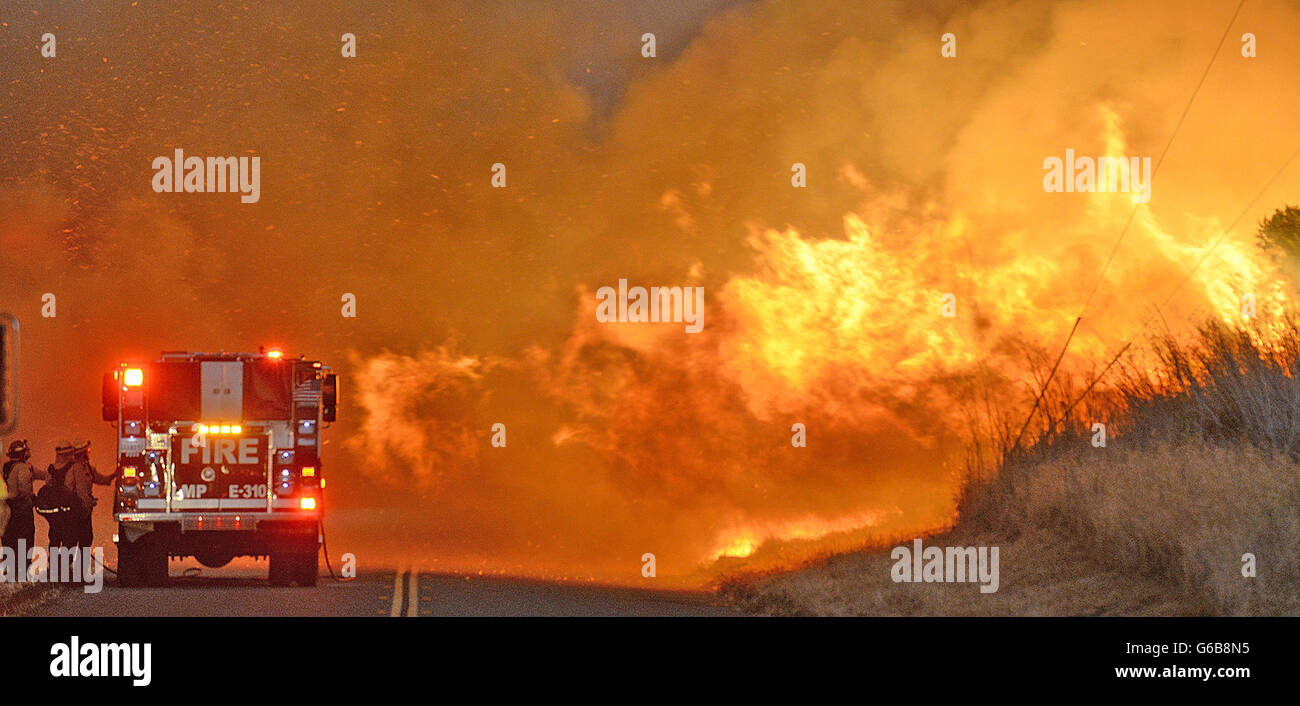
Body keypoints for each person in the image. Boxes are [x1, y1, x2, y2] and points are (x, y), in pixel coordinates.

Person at [2, 440, 47, 554]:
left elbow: (39, 474)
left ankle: (10, 565)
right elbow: (25, 488)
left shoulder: (6, 467)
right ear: (21, 453)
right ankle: (24, 566)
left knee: (10, 538)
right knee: (25, 538)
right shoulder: (23, 468)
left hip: (8, 507)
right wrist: (33, 498)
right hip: (22, 509)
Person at [69, 440, 115, 550]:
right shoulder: (76, 469)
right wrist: (87, 506)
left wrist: (114, 474)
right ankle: (72, 565)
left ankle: (78, 565)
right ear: (82, 453)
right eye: (87, 451)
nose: (89, 453)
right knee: (75, 541)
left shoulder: (87, 468)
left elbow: (101, 479)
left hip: (84, 510)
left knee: (85, 540)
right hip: (77, 511)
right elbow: (82, 492)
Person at [36, 441, 79, 550]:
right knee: (68, 539)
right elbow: (72, 487)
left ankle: (54, 564)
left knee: (54, 537)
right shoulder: (72, 468)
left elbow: (48, 483)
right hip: (67, 511)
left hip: (53, 511)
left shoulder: (51, 468)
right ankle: (64, 564)